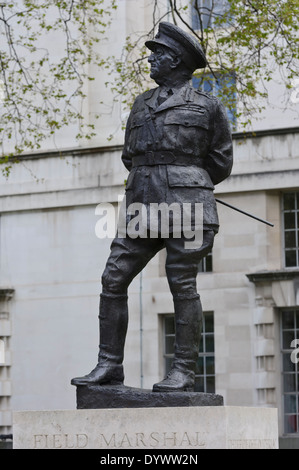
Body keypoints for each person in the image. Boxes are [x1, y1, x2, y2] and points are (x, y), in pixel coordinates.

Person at [71, 22, 233, 392]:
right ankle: (109, 364)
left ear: (175, 61)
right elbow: (131, 156)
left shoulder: (206, 105)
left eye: (157, 54)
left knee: (182, 284)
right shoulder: (141, 103)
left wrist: (183, 181)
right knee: (113, 278)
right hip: (141, 204)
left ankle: (184, 371)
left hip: (189, 205)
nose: (151, 59)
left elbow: (220, 161)